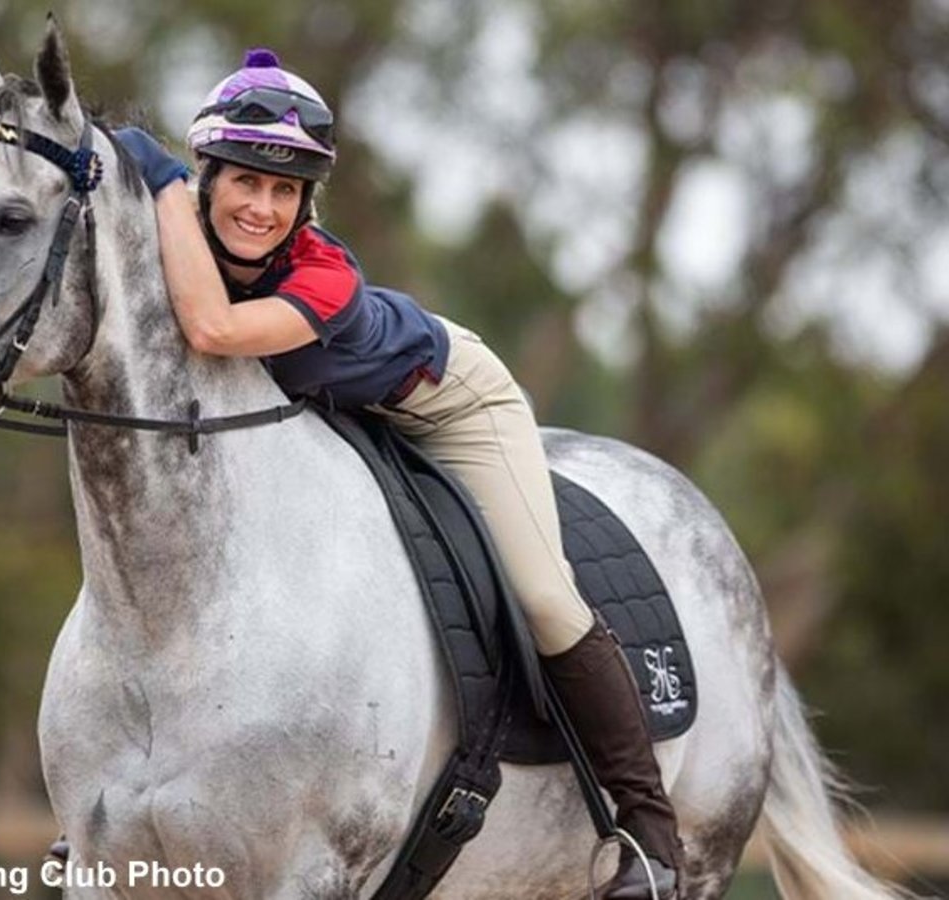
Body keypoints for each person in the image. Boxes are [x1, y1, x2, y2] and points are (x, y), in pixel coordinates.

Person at [113, 49, 683, 899]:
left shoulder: (323, 275)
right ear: (211, 175)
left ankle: (649, 835)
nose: (263, 208)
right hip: (345, 416)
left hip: (455, 404)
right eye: (246, 183)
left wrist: (152, 174)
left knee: (544, 592)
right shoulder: (182, 233)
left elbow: (212, 329)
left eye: (286, 192)